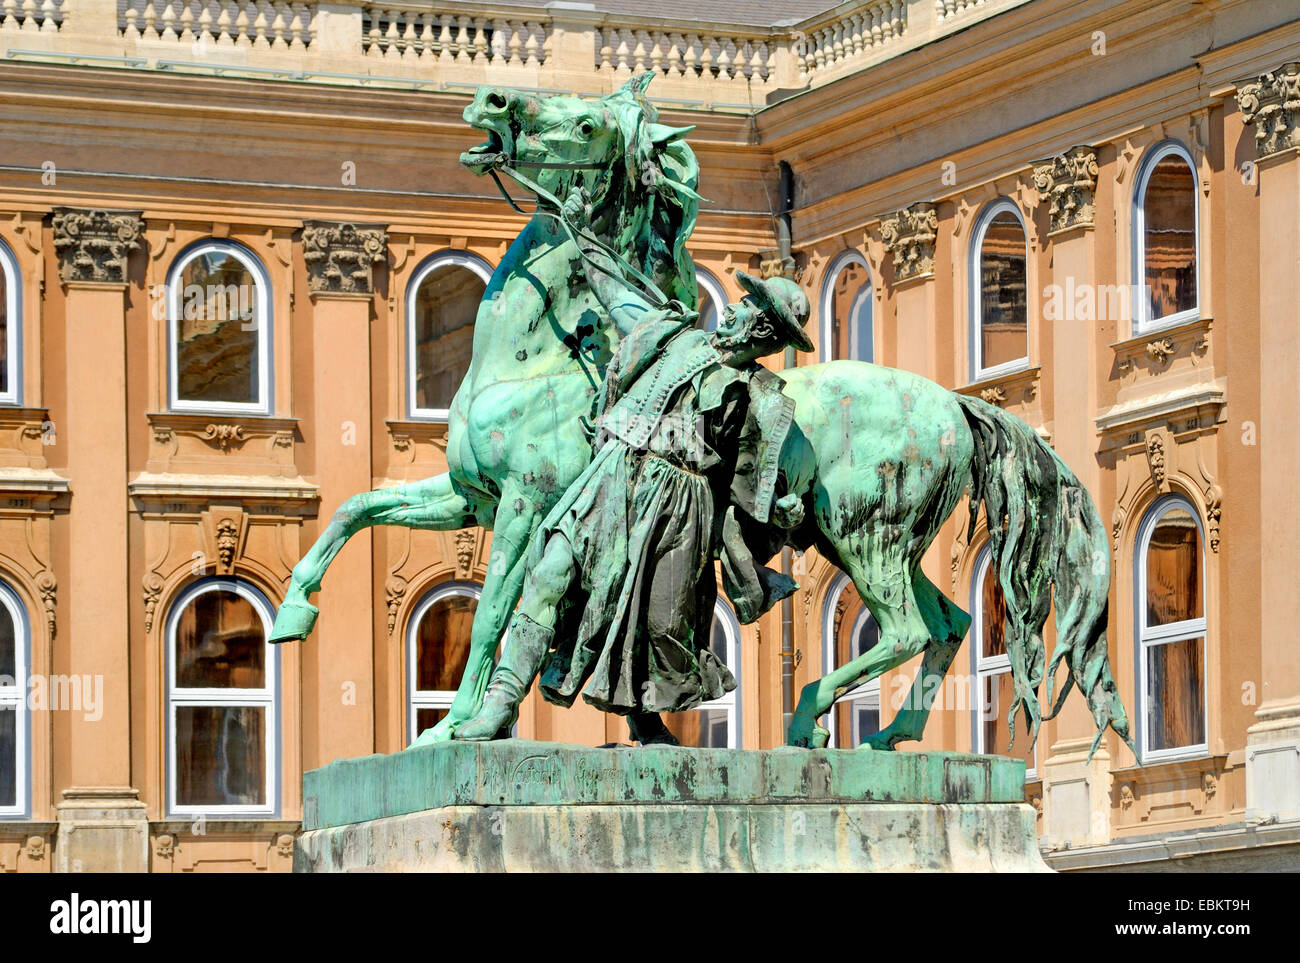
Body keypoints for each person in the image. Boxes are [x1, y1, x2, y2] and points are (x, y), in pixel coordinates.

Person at [454, 188, 813, 744]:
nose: (734, 308)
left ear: (761, 331)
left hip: (679, 506)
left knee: (661, 626)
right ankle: (500, 706)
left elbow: (746, 492)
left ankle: (645, 718)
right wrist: (575, 225)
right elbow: (613, 289)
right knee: (549, 573)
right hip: (613, 474)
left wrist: (784, 516)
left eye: (747, 307)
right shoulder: (672, 334)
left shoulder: (753, 398)